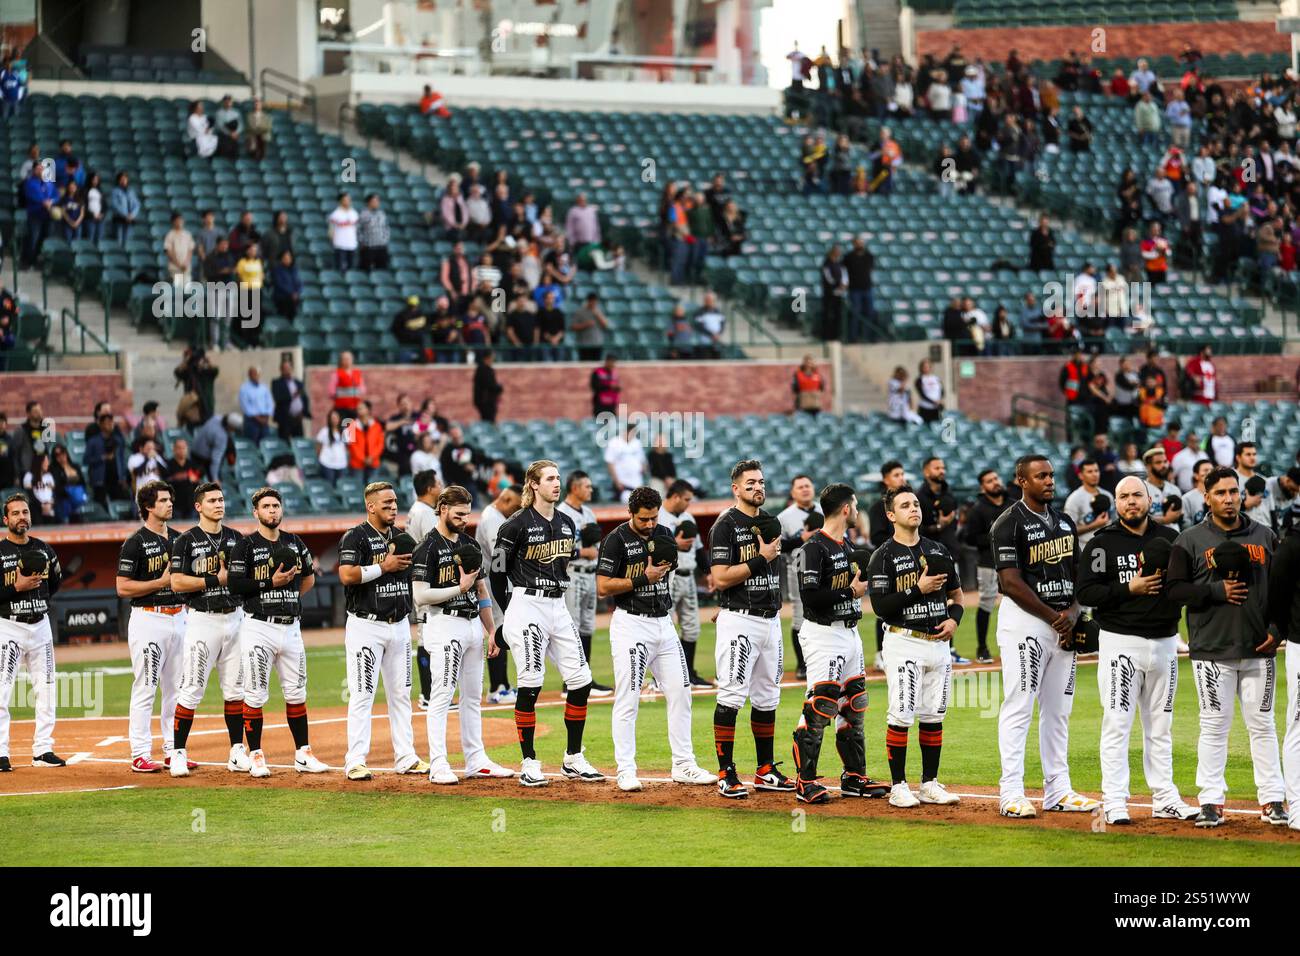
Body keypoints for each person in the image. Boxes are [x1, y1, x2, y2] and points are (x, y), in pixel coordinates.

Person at [1166, 467, 1285, 827]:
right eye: (1221, 493)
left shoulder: (1265, 535)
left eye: (1234, 492)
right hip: (1211, 649)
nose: (1229, 499)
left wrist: (1278, 629)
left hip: (1259, 648)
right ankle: (1211, 801)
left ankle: (1273, 799)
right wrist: (1215, 591)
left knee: (1263, 724)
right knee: (1214, 726)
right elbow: (1174, 590)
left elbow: (1283, 588)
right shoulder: (1189, 540)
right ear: (1207, 497)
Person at [1076, 477, 1197, 824]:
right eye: (1124, 496)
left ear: (1150, 500)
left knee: (1161, 726)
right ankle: (1114, 799)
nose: (1131, 502)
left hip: (1165, 643)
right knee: (1117, 723)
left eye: (1137, 496)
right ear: (1116, 503)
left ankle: (1165, 797)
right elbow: (1087, 593)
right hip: (1120, 643)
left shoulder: (1172, 540)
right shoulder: (1101, 544)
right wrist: (1130, 587)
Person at [991, 454, 1098, 818]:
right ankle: (1011, 793)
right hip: (1026, 622)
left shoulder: (1065, 522)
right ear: (1022, 480)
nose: (1049, 481)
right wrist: (1056, 617)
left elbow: (1080, 574)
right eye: (1041, 476)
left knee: (1058, 711)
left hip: (1062, 624)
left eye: (1051, 475)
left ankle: (1059, 790)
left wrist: (1073, 613)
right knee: (1019, 706)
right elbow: (1009, 581)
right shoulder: (1008, 524)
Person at [489, 460, 604, 787]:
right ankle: (529, 761)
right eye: (549, 478)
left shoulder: (567, 523)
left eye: (557, 478)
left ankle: (573, 757)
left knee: (581, 680)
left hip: (558, 605)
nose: (556, 483)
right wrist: (511, 611)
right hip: (526, 604)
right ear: (533, 485)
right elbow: (497, 572)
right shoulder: (514, 525)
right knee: (531, 682)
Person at [597, 485, 715, 792]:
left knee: (681, 692)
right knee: (629, 698)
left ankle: (684, 764)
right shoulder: (615, 540)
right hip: (630, 625)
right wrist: (642, 578)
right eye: (643, 519)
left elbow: (671, 573)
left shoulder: (664, 533)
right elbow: (603, 587)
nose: (650, 524)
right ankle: (625, 769)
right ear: (631, 513)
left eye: (653, 517)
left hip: (664, 624)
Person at [867, 484, 965, 809]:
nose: (914, 508)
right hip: (903, 641)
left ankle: (930, 784)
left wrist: (954, 620)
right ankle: (898, 786)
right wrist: (918, 589)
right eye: (906, 505)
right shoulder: (883, 555)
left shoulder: (938, 549)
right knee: (902, 713)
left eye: (916, 503)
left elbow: (957, 596)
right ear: (891, 514)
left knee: (934, 715)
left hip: (938, 643)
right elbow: (881, 607)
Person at [412, 483, 511, 783]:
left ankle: (476, 759)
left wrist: (491, 630)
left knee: (472, 696)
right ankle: (439, 763)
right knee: (441, 695)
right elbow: (420, 596)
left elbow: (481, 589)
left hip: (471, 626)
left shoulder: (469, 544)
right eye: (458, 514)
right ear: (442, 509)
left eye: (467, 514)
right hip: (444, 623)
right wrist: (459, 588)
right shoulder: (426, 547)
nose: (464, 519)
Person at [226, 487, 326, 779]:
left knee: (297, 692)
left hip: (291, 626)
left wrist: (291, 597)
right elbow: (235, 585)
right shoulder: (245, 546)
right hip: (258, 626)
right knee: (255, 694)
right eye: (266, 506)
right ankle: (255, 754)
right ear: (255, 512)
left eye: (276, 506)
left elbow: (308, 578)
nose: (272, 511)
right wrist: (271, 582)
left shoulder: (295, 542)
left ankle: (303, 753)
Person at [708, 459, 791, 799]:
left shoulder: (770, 523)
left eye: (761, 482)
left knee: (768, 696)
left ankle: (765, 769)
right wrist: (762, 557)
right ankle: (726, 772)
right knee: (731, 695)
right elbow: (721, 577)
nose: (758, 487)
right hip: (739, 618)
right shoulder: (725, 524)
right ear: (736, 489)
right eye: (751, 483)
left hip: (770, 619)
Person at [335, 482, 427, 781]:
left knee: (401, 694)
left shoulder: (403, 538)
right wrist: (383, 567)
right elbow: (347, 575)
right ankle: (355, 760)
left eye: (395, 502)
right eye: (386, 503)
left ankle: (407, 757)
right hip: (366, 625)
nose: (393, 507)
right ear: (370, 506)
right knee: (362, 694)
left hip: (399, 625)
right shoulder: (356, 537)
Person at [166, 482, 250, 776]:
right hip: (203, 619)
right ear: (199, 506)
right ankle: (177, 752)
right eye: (212, 500)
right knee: (191, 688)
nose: (219, 504)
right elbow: (177, 583)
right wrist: (216, 580)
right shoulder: (186, 541)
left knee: (236, 689)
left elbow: (244, 579)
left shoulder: (237, 538)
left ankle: (236, 750)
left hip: (235, 617)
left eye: (221, 499)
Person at [116, 482, 186, 773]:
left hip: (180, 616)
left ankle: (173, 750)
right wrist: (160, 582)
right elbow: (122, 587)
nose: (170, 504)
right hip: (149, 616)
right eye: (163, 500)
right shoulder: (135, 541)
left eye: (170, 499)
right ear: (148, 506)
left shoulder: (182, 539)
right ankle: (140, 753)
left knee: (176, 689)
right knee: (146, 686)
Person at [0, 492, 65, 771]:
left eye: (25, 512)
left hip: (40, 625)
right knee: (2, 691)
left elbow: (56, 582)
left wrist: (34, 596)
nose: (21, 517)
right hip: (8, 626)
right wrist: (17, 587)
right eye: (15, 513)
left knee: (47, 689)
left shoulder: (45, 549)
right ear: (6, 519)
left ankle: (43, 749)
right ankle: (1, 752)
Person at [556, 471, 613, 698]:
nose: (590, 490)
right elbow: (556, 548)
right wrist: (581, 551)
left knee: (587, 626)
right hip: (572, 573)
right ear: (575, 488)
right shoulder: (561, 513)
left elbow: (596, 546)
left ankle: (585, 678)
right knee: (573, 628)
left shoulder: (588, 512)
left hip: (589, 574)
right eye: (587, 486)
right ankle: (570, 683)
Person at [657, 480, 710, 687]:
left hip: (688, 576)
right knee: (665, 628)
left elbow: (698, 548)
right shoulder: (658, 516)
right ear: (676, 496)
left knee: (691, 627)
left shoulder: (688, 517)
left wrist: (707, 573)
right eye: (687, 499)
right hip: (668, 577)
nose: (689, 503)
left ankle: (688, 672)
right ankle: (661, 677)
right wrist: (673, 543)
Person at [476, 483, 522, 706]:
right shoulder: (493, 519)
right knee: (498, 631)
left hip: (495, 581)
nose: (517, 510)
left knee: (502, 630)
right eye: (515, 505)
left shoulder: (496, 516)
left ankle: (501, 685)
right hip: (493, 583)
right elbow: (500, 557)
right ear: (504, 500)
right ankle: (497, 687)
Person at [961, 468, 1010, 663]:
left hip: (1014, 562)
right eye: (989, 481)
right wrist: (994, 536)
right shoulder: (978, 510)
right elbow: (970, 538)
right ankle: (982, 647)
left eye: (996, 478)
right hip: (989, 562)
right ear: (983, 487)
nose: (995, 482)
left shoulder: (1012, 504)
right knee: (986, 603)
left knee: (1020, 603)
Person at [777, 475, 821, 681]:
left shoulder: (825, 510)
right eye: (800, 487)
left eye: (807, 485)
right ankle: (802, 664)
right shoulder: (784, 517)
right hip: (798, 568)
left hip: (826, 570)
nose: (804, 489)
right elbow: (776, 547)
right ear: (793, 492)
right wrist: (799, 539)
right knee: (800, 617)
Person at [1063, 458, 1114, 549]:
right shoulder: (1074, 499)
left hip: (1109, 547)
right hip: (1086, 550)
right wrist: (1095, 525)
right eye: (1090, 472)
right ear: (1081, 476)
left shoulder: (1108, 495)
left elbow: (1115, 522)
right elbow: (1067, 530)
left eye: (1096, 470)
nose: (1094, 474)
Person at [603, 421, 646, 504]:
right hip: (623, 482)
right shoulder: (614, 442)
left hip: (637, 481)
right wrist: (616, 481)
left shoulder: (637, 443)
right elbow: (610, 463)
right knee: (626, 499)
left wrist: (642, 468)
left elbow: (642, 460)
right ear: (626, 431)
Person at [271, 359, 310, 441]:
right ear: (281, 370)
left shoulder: (298, 382)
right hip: (285, 419)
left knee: (300, 441)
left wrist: (303, 412)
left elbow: (304, 398)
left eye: (289, 368)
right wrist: (292, 395)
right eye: (285, 369)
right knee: (285, 443)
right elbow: (278, 398)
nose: (287, 371)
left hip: (298, 418)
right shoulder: (277, 383)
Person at [346, 401, 384, 483]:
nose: (359, 410)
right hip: (357, 463)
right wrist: (363, 459)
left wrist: (371, 457)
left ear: (368, 410)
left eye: (361, 408)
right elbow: (352, 446)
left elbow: (380, 444)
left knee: (373, 489)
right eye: (358, 408)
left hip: (373, 462)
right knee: (359, 487)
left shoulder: (376, 426)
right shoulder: (352, 426)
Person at [569, 293, 609, 363]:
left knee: (597, 365)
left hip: (597, 343)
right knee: (585, 364)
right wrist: (585, 325)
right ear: (588, 301)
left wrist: (597, 314)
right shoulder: (580, 312)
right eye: (592, 301)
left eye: (595, 301)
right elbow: (573, 327)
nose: (594, 303)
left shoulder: (599, 311)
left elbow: (605, 325)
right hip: (584, 344)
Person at [819, 244, 848, 341]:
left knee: (838, 315)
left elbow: (844, 275)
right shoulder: (826, 264)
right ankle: (826, 335)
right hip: (829, 294)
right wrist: (837, 284)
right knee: (827, 315)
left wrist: (844, 284)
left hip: (838, 294)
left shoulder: (840, 264)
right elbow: (828, 278)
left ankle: (836, 335)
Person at [238, 366, 273, 443]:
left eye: (258, 374)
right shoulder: (244, 388)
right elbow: (245, 406)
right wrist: (259, 419)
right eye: (254, 374)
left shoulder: (264, 387)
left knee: (266, 443)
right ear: (249, 375)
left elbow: (269, 402)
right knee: (253, 444)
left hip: (264, 420)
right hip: (252, 421)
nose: (256, 376)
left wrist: (267, 417)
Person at [357, 193, 390, 272]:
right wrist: (362, 241)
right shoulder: (363, 215)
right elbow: (358, 230)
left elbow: (386, 228)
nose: (377, 203)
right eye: (374, 201)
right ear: (369, 202)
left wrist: (385, 239)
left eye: (377, 201)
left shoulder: (382, 214)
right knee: (365, 268)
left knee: (382, 269)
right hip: (368, 246)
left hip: (381, 246)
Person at [315, 409, 348, 486]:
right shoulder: (324, 431)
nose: (334, 420)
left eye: (336, 417)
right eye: (332, 418)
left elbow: (347, 446)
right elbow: (318, 446)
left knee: (340, 485)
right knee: (329, 485)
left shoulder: (344, 431)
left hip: (341, 463)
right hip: (327, 462)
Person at [328, 192, 359, 272]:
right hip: (340, 244)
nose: (348, 201)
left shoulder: (354, 213)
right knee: (340, 268)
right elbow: (331, 230)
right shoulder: (335, 214)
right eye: (345, 200)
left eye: (349, 200)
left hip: (351, 244)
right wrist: (332, 241)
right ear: (340, 201)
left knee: (351, 268)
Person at [328, 351, 365, 416]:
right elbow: (331, 392)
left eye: (349, 358)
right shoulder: (337, 373)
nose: (347, 361)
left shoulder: (357, 373)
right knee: (345, 425)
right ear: (341, 361)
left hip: (355, 408)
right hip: (342, 408)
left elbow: (362, 389)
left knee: (353, 426)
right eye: (345, 359)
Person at [270, 250, 302, 320]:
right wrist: (291, 293)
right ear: (281, 259)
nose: (288, 259)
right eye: (285, 258)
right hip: (282, 297)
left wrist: (297, 292)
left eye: (289, 257)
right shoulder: (277, 270)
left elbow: (299, 283)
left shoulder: (294, 270)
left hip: (294, 297)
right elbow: (280, 284)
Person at [472, 350, 503, 423]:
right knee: (488, 420)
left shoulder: (483, 369)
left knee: (488, 419)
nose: (492, 360)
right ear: (487, 358)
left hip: (486, 400)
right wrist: (499, 388)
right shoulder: (484, 369)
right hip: (486, 401)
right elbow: (489, 385)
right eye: (492, 358)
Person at [590, 354, 620, 419]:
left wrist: (617, 388)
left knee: (612, 425)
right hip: (600, 405)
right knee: (600, 425)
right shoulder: (598, 372)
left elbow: (617, 387)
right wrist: (609, 386)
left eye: (613, 362)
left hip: (611, 405)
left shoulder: (614, 374)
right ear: (606, 361)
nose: (612, 364)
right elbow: (594, 386)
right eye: (611, 362)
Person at [915, 359, 943, 423]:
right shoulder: (920, 379)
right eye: (925, 367)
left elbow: (942, 391)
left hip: (936, 408)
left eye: (929, 367)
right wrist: (933, 401)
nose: (927, 369)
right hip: (925, 408)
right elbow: (922, 395)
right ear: (921, 368)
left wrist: (940, 400)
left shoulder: (936, 378)